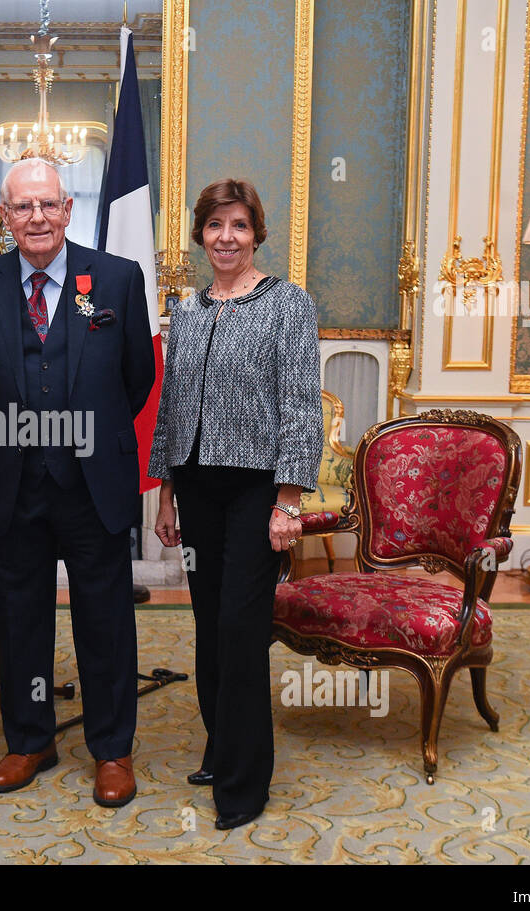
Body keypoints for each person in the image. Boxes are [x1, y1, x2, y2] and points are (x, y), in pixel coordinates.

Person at [0, 158, 155, 807]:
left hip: (92, 481)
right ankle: (30, 737)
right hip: (12, 481)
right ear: (5, 217)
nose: (36, 217)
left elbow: (135, 378)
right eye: (22, 207)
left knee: (105, 621)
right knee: (19, 620)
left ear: (69, 209)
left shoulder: (117, 280)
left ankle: (112, 749)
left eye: (47, 204)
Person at [148, 178, 322, 830]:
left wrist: (287, 501)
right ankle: (221, 744)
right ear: (200, 234)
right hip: (196, 488)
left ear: (257, 233)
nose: (226, 237)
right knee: (210, 624)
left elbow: (302, 405)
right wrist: (165, 496)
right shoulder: (186, 310)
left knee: (242, 632)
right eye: (215, 226)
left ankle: (245, 782)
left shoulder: (289, 305)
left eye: (239, 226)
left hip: (256, 490)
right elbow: (170, 409)